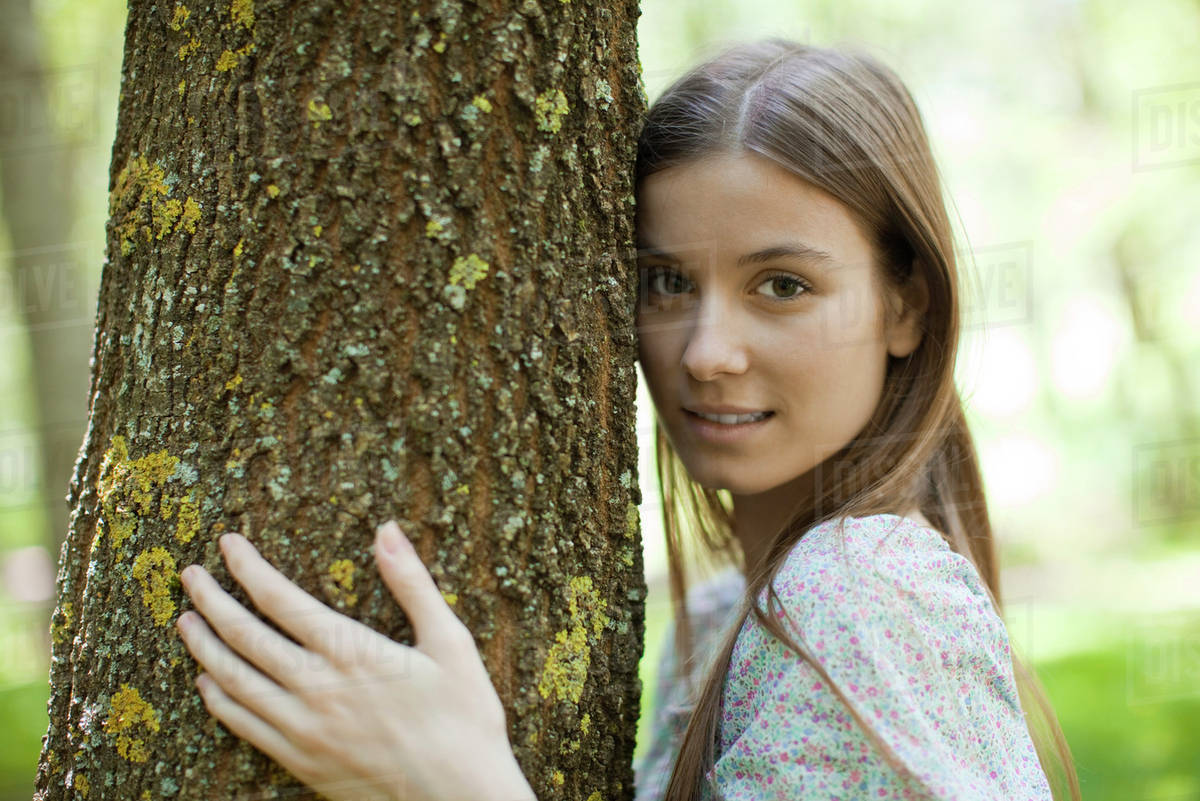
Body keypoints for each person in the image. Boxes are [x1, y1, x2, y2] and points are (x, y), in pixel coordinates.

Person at [174, 38, 1080, 801]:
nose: (705, 352)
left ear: (906, 306)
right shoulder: (735, 606)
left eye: (783, 286)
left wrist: (458, 781)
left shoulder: (855, 596)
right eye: (667, 281)